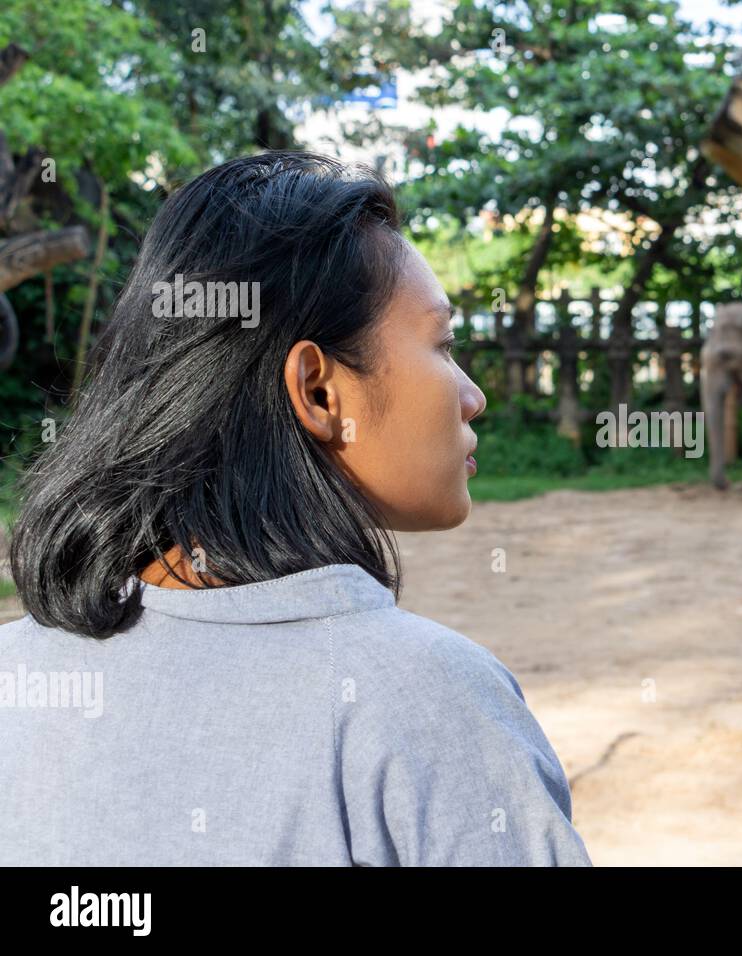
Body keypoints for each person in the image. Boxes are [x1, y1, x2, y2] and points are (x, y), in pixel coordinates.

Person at [0, 151, 592, 866]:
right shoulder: (427, 698)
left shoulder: (19, 673)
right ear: (317, 391)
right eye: (443, 343)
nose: (474, 396)